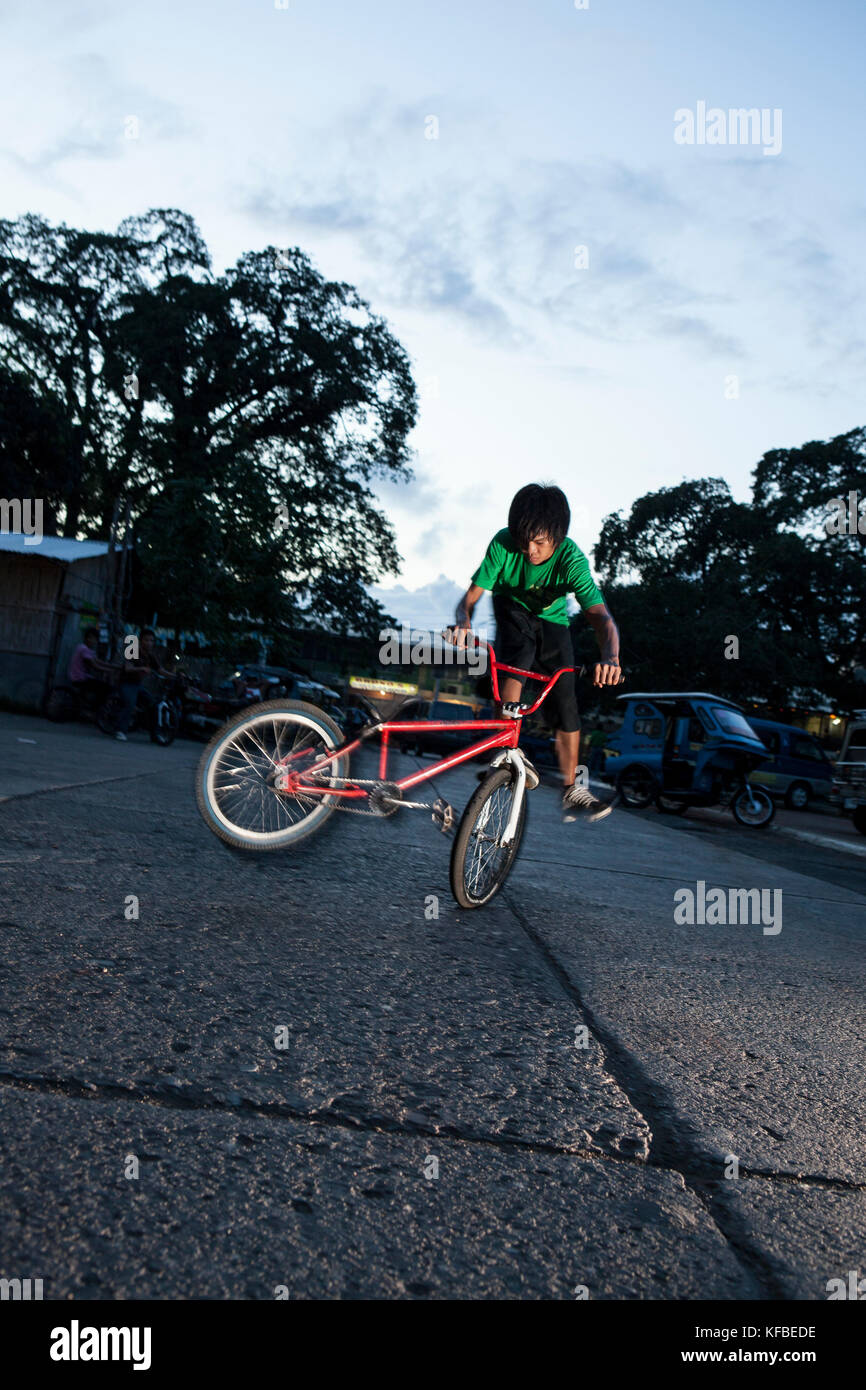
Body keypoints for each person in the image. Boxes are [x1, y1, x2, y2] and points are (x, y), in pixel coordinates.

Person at [451, 482, 622, 822]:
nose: (530, 550)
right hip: (511, 606)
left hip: (553, 620)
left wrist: (611, 658)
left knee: (565, 694)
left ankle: (573, 788)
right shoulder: (502, 543)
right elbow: (470, 597)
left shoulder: (572, 559)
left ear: (557, 537)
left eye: (540, 543)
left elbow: (601, 619)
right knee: (517, 658)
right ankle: (504, 753)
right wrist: (462, 622)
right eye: (523, 541)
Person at [115, 628, 173, 741]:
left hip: (138, 685)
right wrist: (141, 668)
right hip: (126, 683)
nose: (149, 643)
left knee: (154, 705)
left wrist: (175, 676)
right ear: (140, 640)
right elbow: (128, 668)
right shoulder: (133, 650)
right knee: (130, 704)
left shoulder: (151, 656)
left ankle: (155, 734)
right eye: (146, 640)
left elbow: (161, 670)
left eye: (151, 640)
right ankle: (120, 731)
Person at [67, 627, 113, 703]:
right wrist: (109, 670)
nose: (94, 642)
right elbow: (95, 666)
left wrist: (115, 667)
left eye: (95, 640)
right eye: (93, 639)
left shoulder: (85, 648)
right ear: (88, 638)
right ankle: (93, 709)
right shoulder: (84, 649)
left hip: (80, 677)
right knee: (105, 688)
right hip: (79, 678)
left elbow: (99, 662)